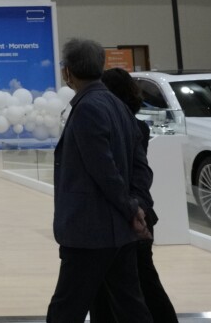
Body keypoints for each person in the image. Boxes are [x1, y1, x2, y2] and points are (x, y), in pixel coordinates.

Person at [46, 39, 152, 323]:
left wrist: (132, 208)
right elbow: (139, 166)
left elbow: (104, 171)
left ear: (68, 71)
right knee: (131, 307)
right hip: (120, 231)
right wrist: (137, 207)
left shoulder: (87, 109)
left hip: (90, 231)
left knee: (66, 309)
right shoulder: (117, 105)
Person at [91, 68, 178, 323]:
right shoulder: (135, 125)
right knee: (137, 281)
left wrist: (134, 207)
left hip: (127, 212)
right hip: (133, 210)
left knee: (140, 282)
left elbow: (126, 174)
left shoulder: (125, 126)